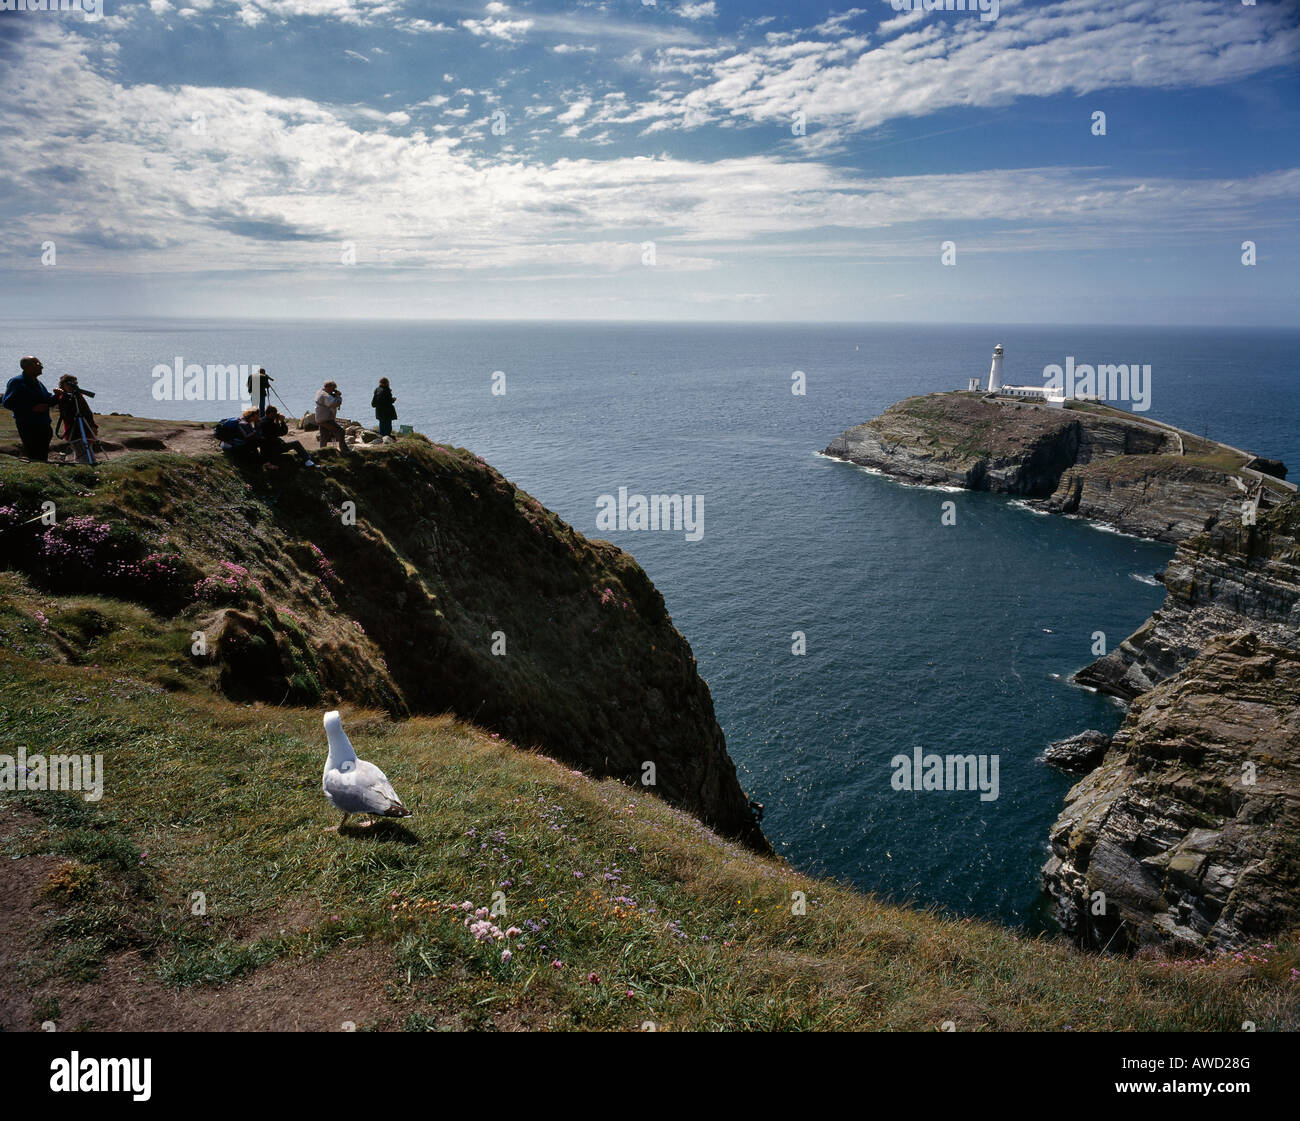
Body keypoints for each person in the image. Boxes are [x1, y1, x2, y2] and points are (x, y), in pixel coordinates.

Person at [2, 356, 56, 462]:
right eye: (38, 364)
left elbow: (47, 400)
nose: (42, 366)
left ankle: (42, 472)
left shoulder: (37, 382)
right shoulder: (17, 382)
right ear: (28, 367)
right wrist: (31, 408)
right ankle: (38, 473)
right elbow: (8, 403)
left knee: (42, 454)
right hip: (28, 425)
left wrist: (58, 396)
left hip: (43, 424)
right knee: (34, 454)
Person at [54, 375, 100, 464]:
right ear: (63, 385)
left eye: (74, 384)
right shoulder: (64, 398)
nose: (72, 386)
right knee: (84, 455)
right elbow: (66, 415)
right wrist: (63, 396)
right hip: (74, 432)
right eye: (69, 384)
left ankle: (82, 465)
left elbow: (87, 413)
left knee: (84, 452)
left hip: (86, 430)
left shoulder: (78, 396)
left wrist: (93, 426)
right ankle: (87, 468)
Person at [314, 380, 349, 454]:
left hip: (320, 418)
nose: (334, 390)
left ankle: (322, 452)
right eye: (333, 388)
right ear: (328, 387)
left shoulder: (320, 392)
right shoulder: (325, 395)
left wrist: (333, 395)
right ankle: (344, 451)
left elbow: (328, 400)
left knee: (324, 435)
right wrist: (338, 396)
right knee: (341, 432)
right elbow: (334, 403)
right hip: (326, 419)